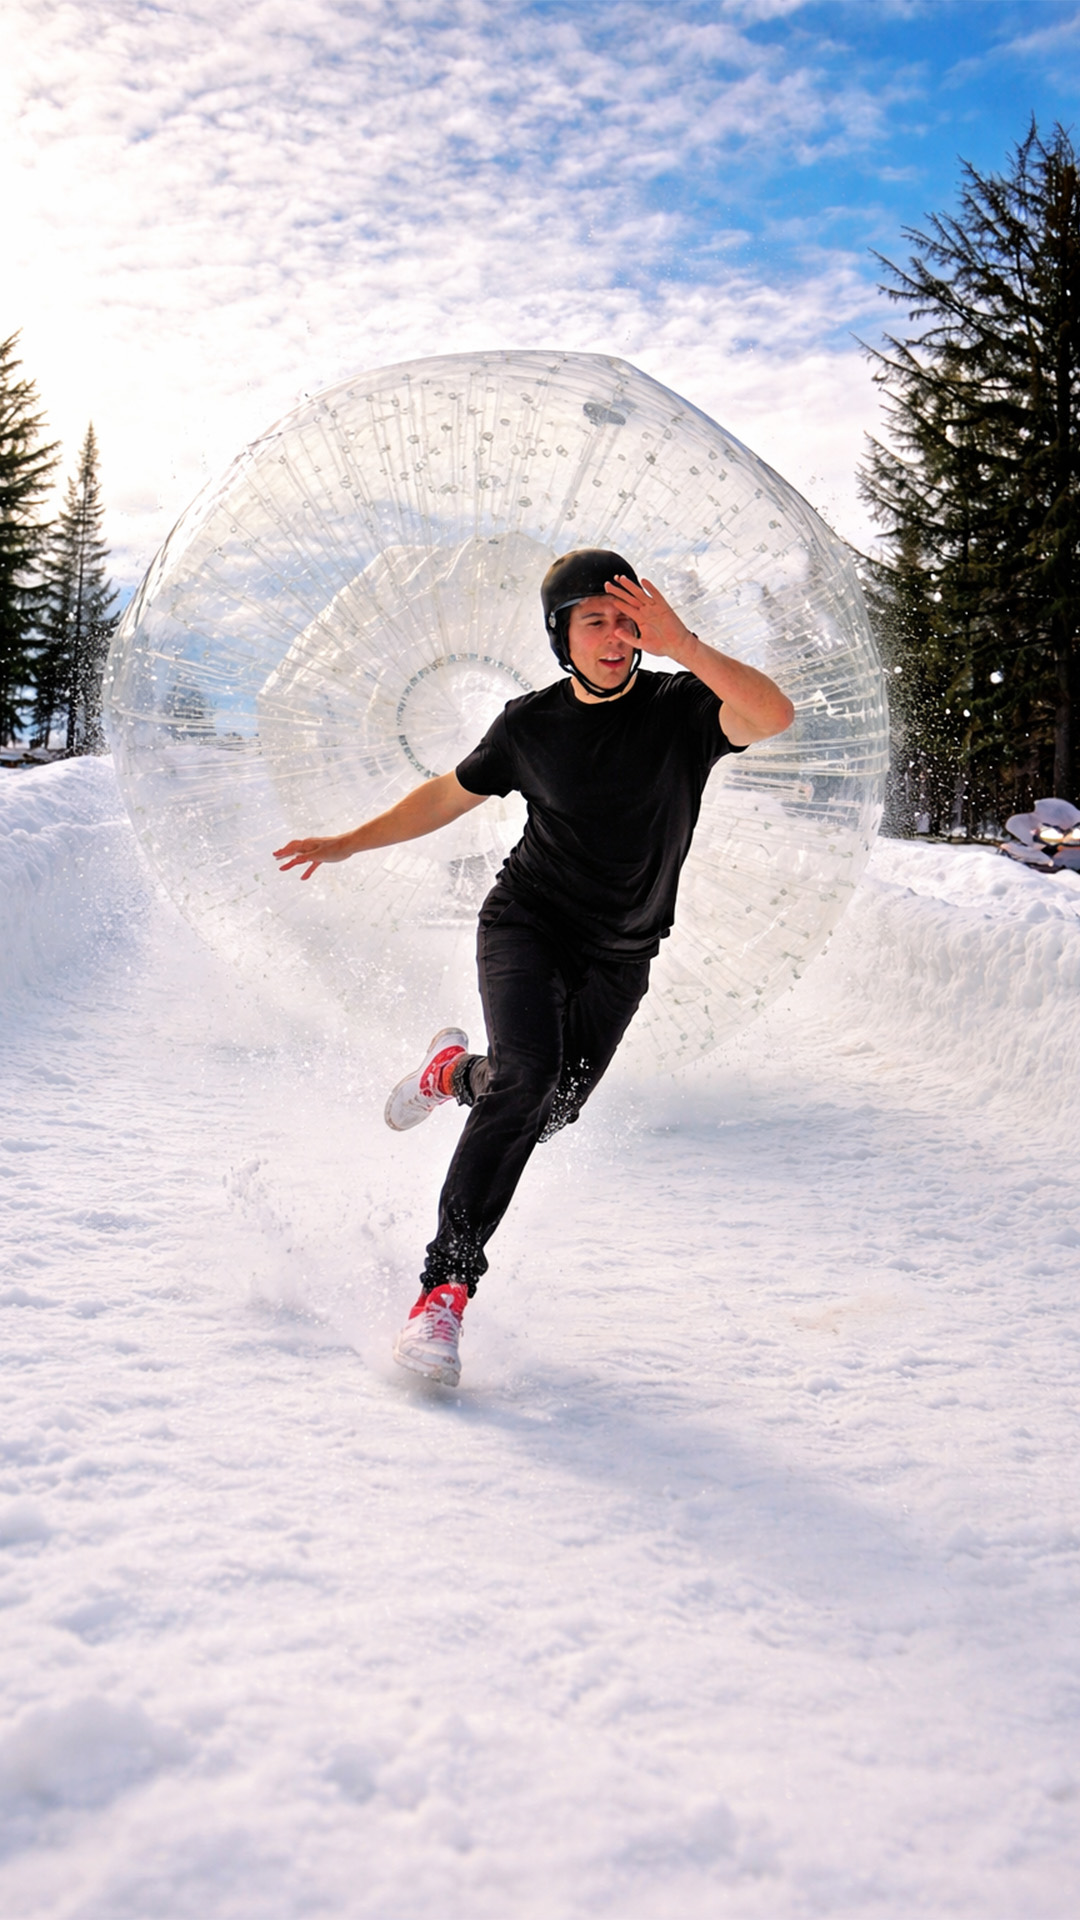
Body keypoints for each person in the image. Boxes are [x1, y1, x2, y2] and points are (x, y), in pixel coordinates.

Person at [274, 550, 794, 1386]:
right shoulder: (530, 725)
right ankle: (442, 1294)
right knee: (527, 1080)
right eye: (596, 621)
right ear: (561, 636)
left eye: (629, 621)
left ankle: (454, 1074)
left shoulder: (684, 708)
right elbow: (447, 793)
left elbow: (773, 714)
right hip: (528, 924)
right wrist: (347, 843)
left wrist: (686, 646)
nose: (616, 638)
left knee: (545, 1111)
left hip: (623, 956)